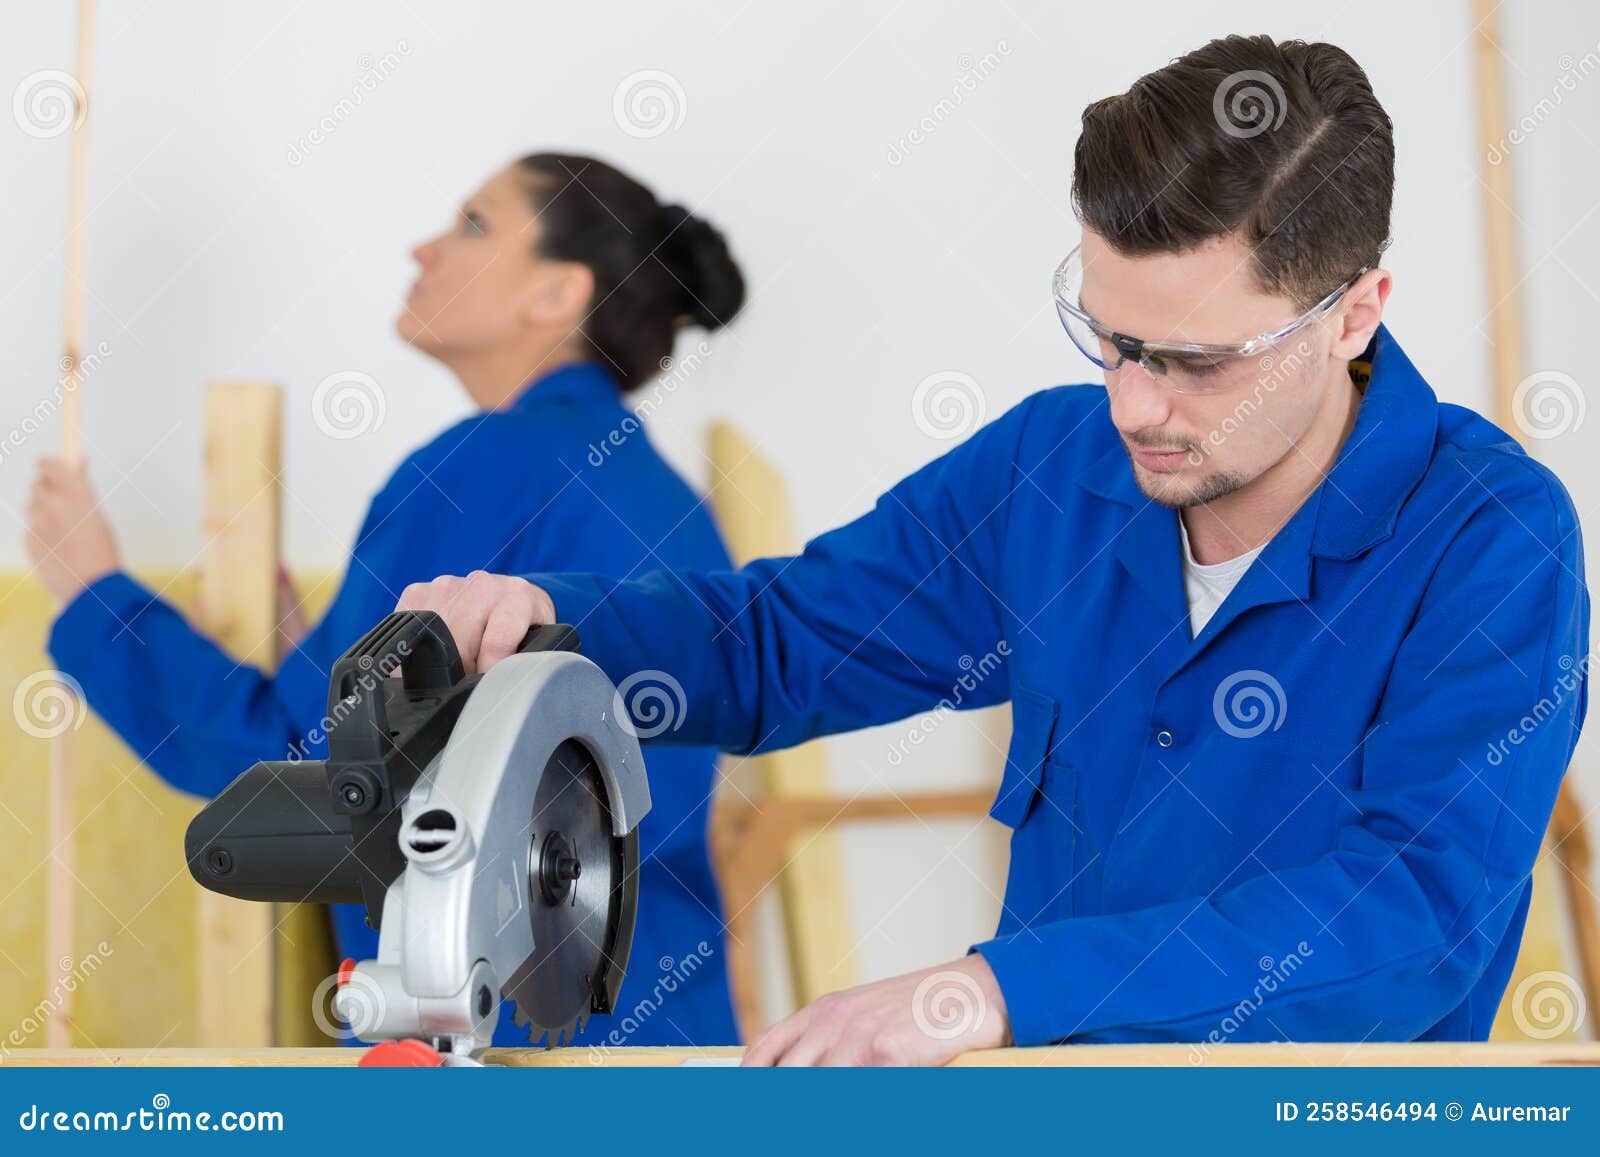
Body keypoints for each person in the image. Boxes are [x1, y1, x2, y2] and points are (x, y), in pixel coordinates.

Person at [390, 37, 1590, 1065]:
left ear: (1355, 312)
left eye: (1195, 362)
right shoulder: (1048, 472)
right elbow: (784, 641)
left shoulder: (1492, 544)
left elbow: (1411, 914)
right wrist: (550, 619)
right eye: (1110, 338)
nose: (1131, 407)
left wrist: (994, 991)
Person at [25, 153, 746, 1047]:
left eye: (474, 224)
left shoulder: (484, 463)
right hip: (675, 1039)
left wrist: (96, 595)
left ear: (557, 294)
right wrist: (315, 654)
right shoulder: (669, 500)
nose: (421, 249)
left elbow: (297, 770)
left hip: (500, 1059)